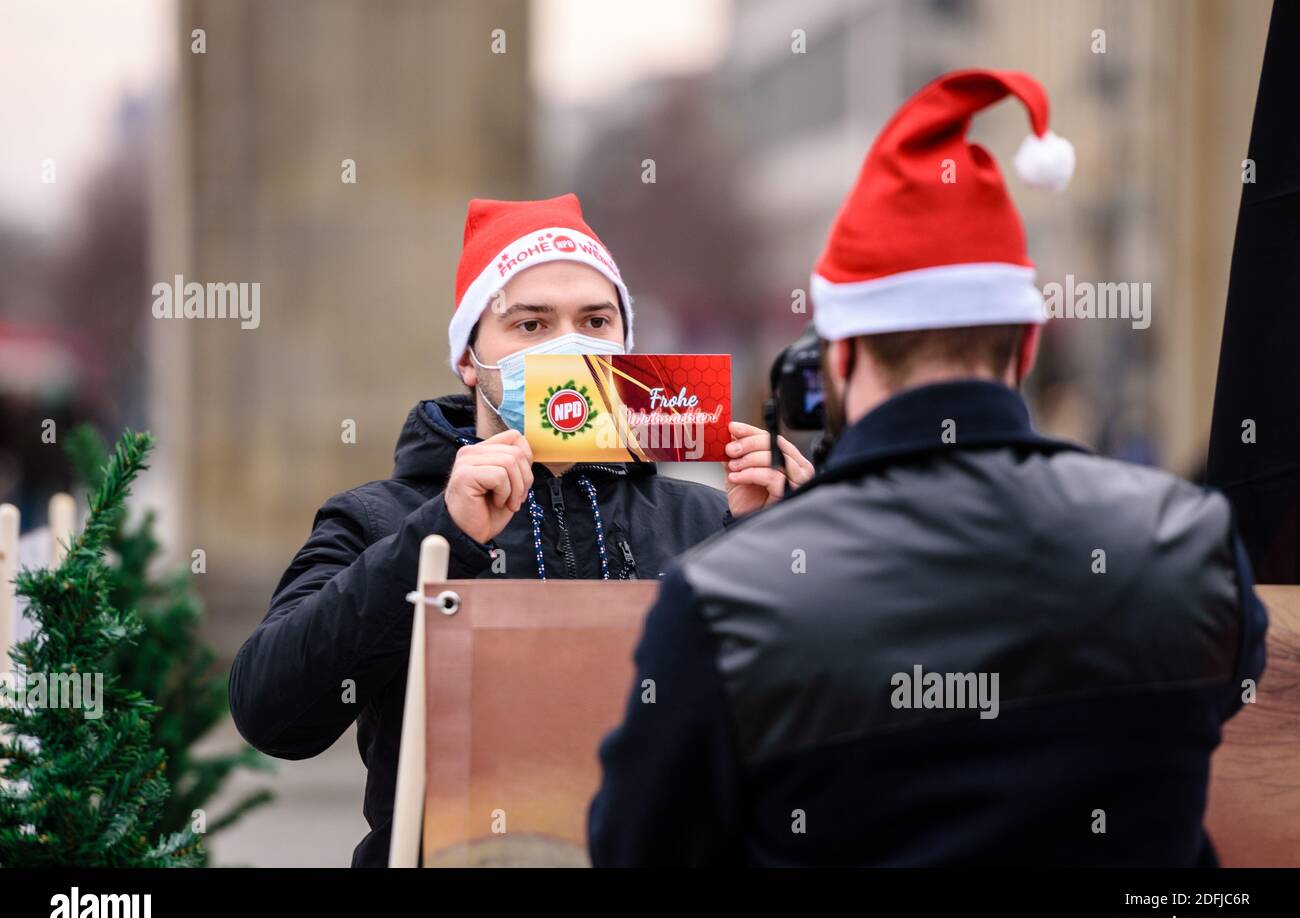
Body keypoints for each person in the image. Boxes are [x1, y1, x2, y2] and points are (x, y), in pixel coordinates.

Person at [588, 69, 1269, 866]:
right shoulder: (1188, 541)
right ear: (1027, 343)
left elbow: (638, 845)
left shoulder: (724, 600)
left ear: (838, 355)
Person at [229, 193, 813, 866]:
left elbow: (808, 733)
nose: (570, 345)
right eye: (530, 325)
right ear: (470, 359)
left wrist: (779, 547)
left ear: (625, 341)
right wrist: (438, 537)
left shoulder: (709, 516)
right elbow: (270, 710)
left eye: (595, 320)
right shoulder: (377, 518)